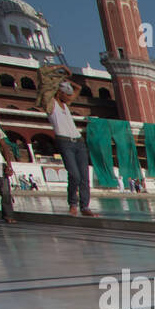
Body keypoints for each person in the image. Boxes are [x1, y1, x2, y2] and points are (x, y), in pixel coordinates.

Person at [45, 80, 96, 216]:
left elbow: (78, 87)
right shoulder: (51, 105)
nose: (69, 97)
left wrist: (68, 80)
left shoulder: (65, 105)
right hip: (64, 142)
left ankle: (85, 206)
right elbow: (45, 91)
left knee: (84, 177)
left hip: (79, 142)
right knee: (74, 174)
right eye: (66, 94)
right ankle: (73, 203)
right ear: (59, 92)